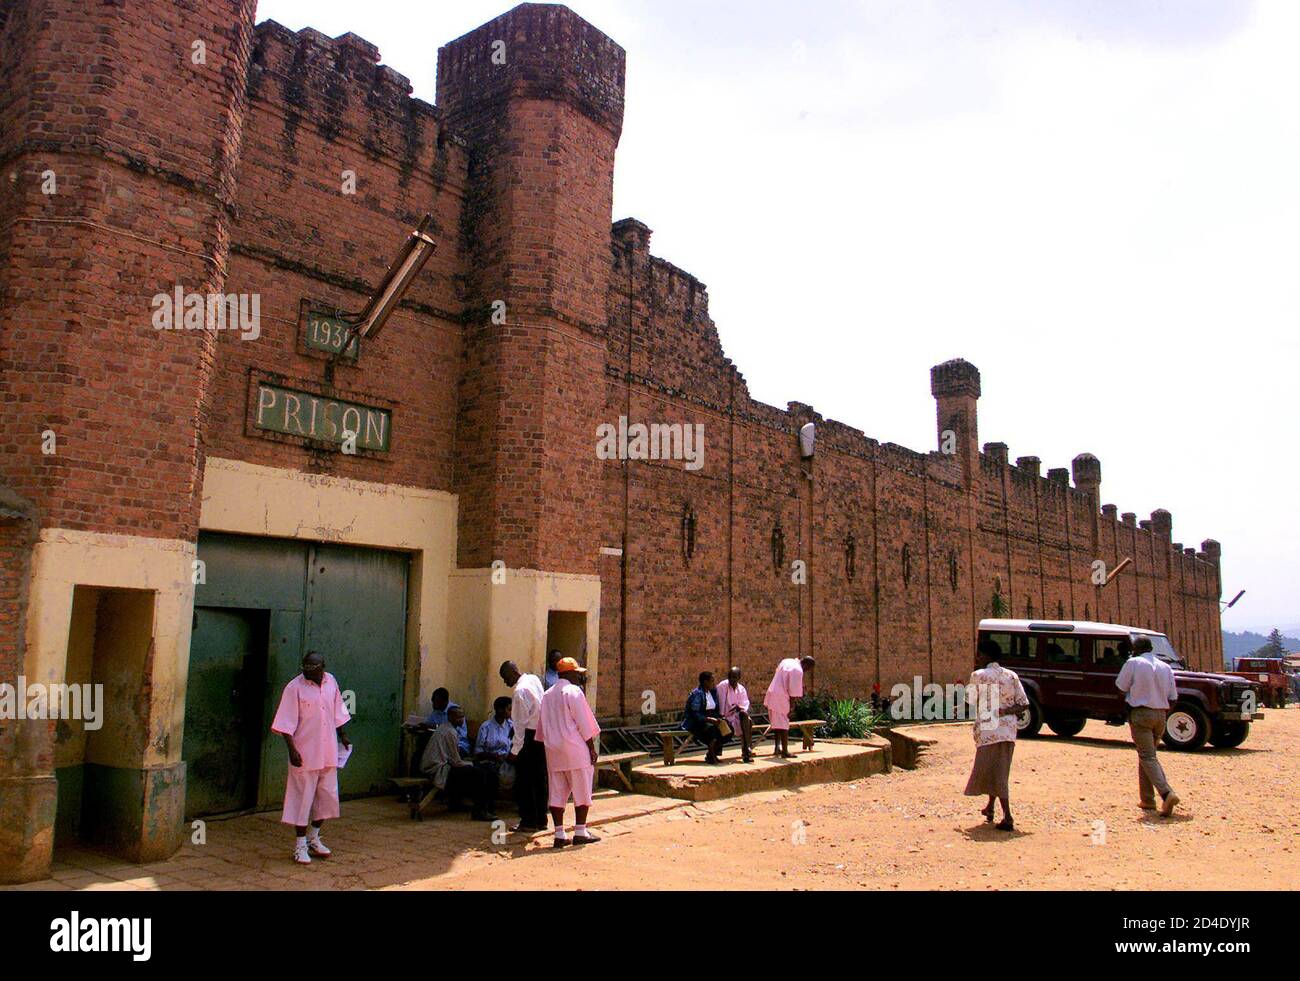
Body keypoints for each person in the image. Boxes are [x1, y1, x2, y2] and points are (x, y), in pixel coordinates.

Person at [270, 651, 351, 865]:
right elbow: (285, 723)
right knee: (302, 798)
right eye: (305, 666)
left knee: (326, 796)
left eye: (312, 666)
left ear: (322, 667)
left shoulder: (331, 681)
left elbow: (337, 711)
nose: (307, 670)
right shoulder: (294, 687)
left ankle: (314, 837)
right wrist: (292, 750)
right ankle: (299, 845)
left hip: (328, 751)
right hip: (304, 753)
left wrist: (342, 735)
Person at [963, 639, 1029, 831]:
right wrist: (1005, 711)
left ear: (986, 656)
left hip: (989, 732)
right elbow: (1024, 704)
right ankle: (990, 808)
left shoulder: (979, 675)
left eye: (979, 655)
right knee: (998, 769)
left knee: (997, 774)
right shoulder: (1012, 675)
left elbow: (970, 701)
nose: (976, 658)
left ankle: (1008, 817)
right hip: (1008, 732)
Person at [536, 656, 601, 848]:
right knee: (582, 790)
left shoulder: (547, 695)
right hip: (575, 749)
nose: (580, 678)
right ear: (569, 673)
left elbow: (541, 727)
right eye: (577, 674)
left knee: (556, 793)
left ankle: (559, 833)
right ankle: (580, 830)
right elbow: (584, 723)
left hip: (554, 751)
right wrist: (591, 747)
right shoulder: (573, 692)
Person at [1116, 634, 1180, 817]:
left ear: (1135, 649)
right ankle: (1147, 799)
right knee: (1147, 755)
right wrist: (1161, 710)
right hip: (1161, 715)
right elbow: (1173, 697)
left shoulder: (1133, 663)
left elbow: (1121, 688)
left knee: (1147, 756)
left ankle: (1167, 793)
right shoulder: (1165, 667)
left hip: (1141, 713)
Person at [417, 704, 495, 821]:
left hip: (438, 765)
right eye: (458, 717)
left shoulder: (446, 728)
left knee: (476, 770)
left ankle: (457, 803)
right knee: (479, 774)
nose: (461, 720)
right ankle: (479, 811)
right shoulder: (450, 732)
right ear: (450, 717)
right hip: (438, 768)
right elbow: (456, 762)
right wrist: (471, 763)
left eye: (462, 717)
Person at [500, 660, 548, 833]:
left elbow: (519, 726)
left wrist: (514, 751)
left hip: (528, 738)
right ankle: (541, 818)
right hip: (540, 735)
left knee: (525, 782)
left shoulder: (519, 692)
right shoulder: (533, 680)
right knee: (540, 779)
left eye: (505, 677)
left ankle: (528, 820)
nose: (505, 682)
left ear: (513, 672)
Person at [764, 655, 814, 759]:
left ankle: (777, 748)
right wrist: (791, 707)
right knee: (784, 725)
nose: (806, 671)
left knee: (777, 724)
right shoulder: (798, 670)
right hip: (781, 697)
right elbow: (793, 692)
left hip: (772, 692)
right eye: (808, 669)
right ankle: (785, 751)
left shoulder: (787, 661)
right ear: (806, 664)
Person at [681, 671, 728, 764]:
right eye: (712, 681)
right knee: (713, 730)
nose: (714, 683)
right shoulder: (697, 694)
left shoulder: (712, 693)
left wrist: (719, 718)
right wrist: (709, 719)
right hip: (697, 722)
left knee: (727, 729)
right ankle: (712, 755)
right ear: (705, 682)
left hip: (711, 720)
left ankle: (712, 754)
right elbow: (695, 714)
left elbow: (715, 708)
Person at [474, 696, 516, 797]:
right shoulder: (486, 727)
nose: (511, 712)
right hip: (491, 761)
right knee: (490, 773)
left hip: (508, 760)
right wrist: (493, 756)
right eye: (509, 709)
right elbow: (478, 751)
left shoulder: (511, 726)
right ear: (500, 710)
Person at [717, 667, 754, 763]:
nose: (732, 680)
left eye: (734, 677)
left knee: (746, 718)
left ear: (739, 678)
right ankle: (747, 751)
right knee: (746, 722)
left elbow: (745, 705)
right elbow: (721, 702)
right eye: (730, 677)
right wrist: (722, 716)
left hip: (737, 717)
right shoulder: (723, 686)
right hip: (725, 717)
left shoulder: (741, 689)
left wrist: (738, 707)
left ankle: (747, 749)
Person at [425, 688, 470, 755]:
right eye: (433, 701)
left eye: (436, 702)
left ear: (445, 702)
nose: (433, 705)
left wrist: (437, 727)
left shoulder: (455, 712)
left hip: (458, 744)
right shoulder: (437, 710)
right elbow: (429, 723)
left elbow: (457, 734)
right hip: (442, 744)